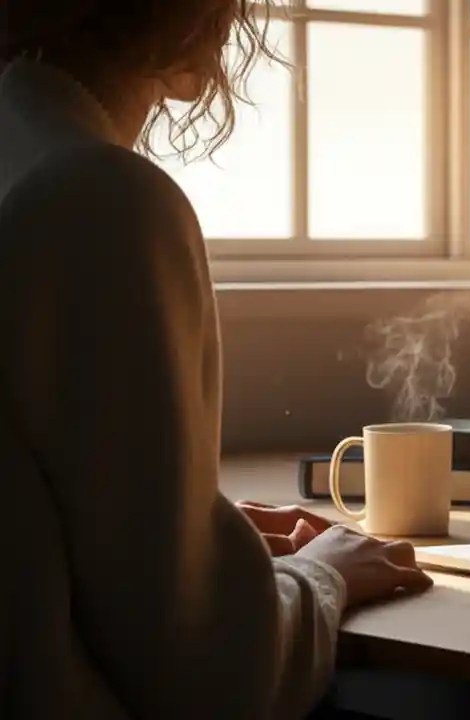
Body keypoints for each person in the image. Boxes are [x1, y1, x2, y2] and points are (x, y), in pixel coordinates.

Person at [0, 2, 432, 718]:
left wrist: (198, 538)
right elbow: (205, 674)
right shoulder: (100, 198)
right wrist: (320, 576)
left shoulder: (28, 169)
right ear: (195, 35)